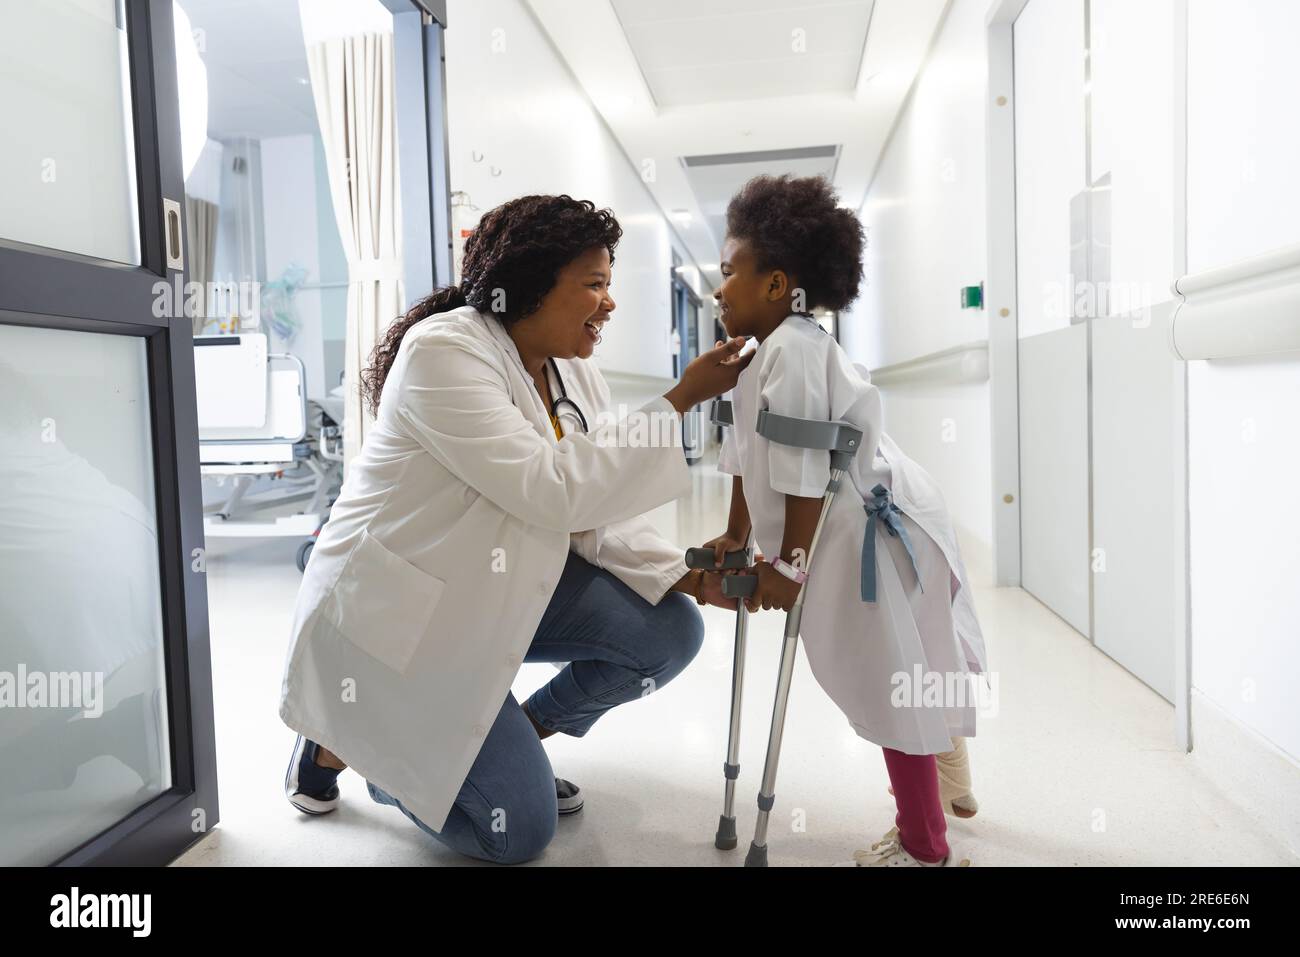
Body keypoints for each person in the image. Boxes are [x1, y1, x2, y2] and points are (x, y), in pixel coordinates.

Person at [280, 194, 748, 864]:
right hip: (399, 622)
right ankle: (361, 749)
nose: (608, 303)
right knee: (515, 831)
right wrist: (680, 399)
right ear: (530, 282)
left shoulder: (573, 372)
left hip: (490, 591)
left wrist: (692, 575)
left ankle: (511, 738)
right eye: (593, 284)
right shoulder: (444, 352)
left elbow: (593, 507)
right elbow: (551, 488)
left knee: (669, 628)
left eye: (609, 284)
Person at [701, 175, 987, 867]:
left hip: (875, 530)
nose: (717, 287)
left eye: (729, 271)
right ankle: (948, 773)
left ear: (776, 285)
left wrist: (788, 566)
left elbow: (802, 462)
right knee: (907, 661)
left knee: (890, 678)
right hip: (862, 519)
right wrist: (738, 535)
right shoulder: (752, 352)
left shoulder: (795, 346)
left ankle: (925, 849)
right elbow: (746, 453)